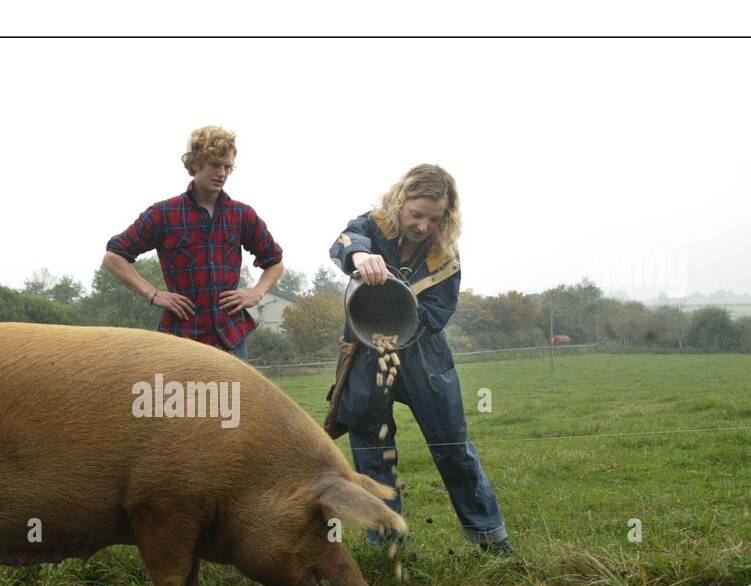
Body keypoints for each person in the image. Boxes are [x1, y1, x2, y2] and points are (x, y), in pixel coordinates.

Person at [327, 164, 512, 554]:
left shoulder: (445, 256)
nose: (424, 225)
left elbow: (439, 313)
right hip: (364, 353)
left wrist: (398, 310)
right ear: (400, 202)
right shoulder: (372, 226)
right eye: (416, 214)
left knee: (453, 446)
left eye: (434, 218)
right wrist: (360, 255)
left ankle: (490, 537)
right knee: (371, 446)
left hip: (425, 357)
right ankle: (386, 539)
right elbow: (344, 241)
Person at [102, 125, 285, 360]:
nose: (222, 173)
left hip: (230, 339)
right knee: (178, 399)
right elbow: (114, 257)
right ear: (195, 163)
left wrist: (256, 294)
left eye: (227, 167)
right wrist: (154, 294)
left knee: (232, 399)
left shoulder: (241, 215)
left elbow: (275, 262)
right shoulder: (163, 214)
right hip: (180, 340)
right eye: (215, 165)